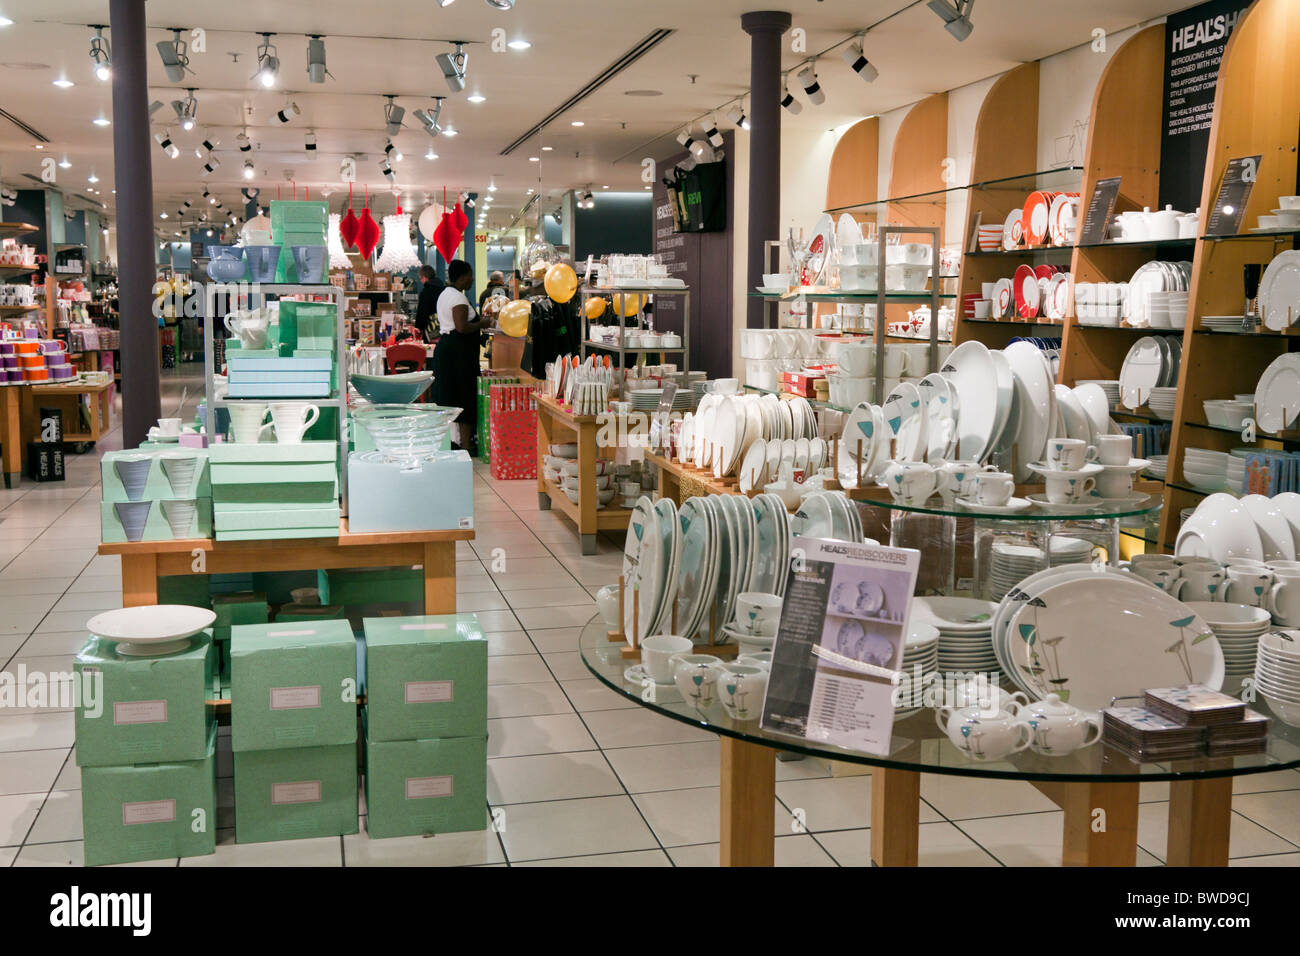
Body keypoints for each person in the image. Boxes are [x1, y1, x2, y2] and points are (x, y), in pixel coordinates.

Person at [432, 259, 492, 453]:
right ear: (462, 277)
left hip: (448, 350)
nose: (472, 279)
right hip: (459, 354)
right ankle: (465, 444)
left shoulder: (445, 294)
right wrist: (482, 324)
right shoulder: (458, 298)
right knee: (464, 396)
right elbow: (462, 327)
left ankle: (453, 441)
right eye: (470, 275)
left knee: (449, 395)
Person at [414, 264, 444, 343]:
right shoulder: (444, 289)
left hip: (432, 330)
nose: (421, 281)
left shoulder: (426, 292)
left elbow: (422, 312)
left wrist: (418, 327)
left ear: (424, 278)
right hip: (446, 328)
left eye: (420, 279)